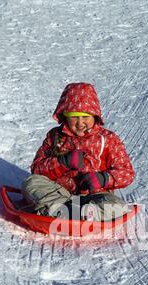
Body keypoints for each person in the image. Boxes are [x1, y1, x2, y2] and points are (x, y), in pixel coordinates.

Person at [22, 82, 135, 221]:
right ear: (65, 116)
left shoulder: (108, 139)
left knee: (119, 206)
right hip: (60, 194)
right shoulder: (55, 136)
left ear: (95, 115)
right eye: (74, 117)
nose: (80, 123)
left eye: (86, 117)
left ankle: (84, 213)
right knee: (31, 182)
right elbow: (37, 169)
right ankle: (65, 210)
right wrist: (62, 162)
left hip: (95, 197)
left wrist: (103, 179)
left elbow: (127, 173)